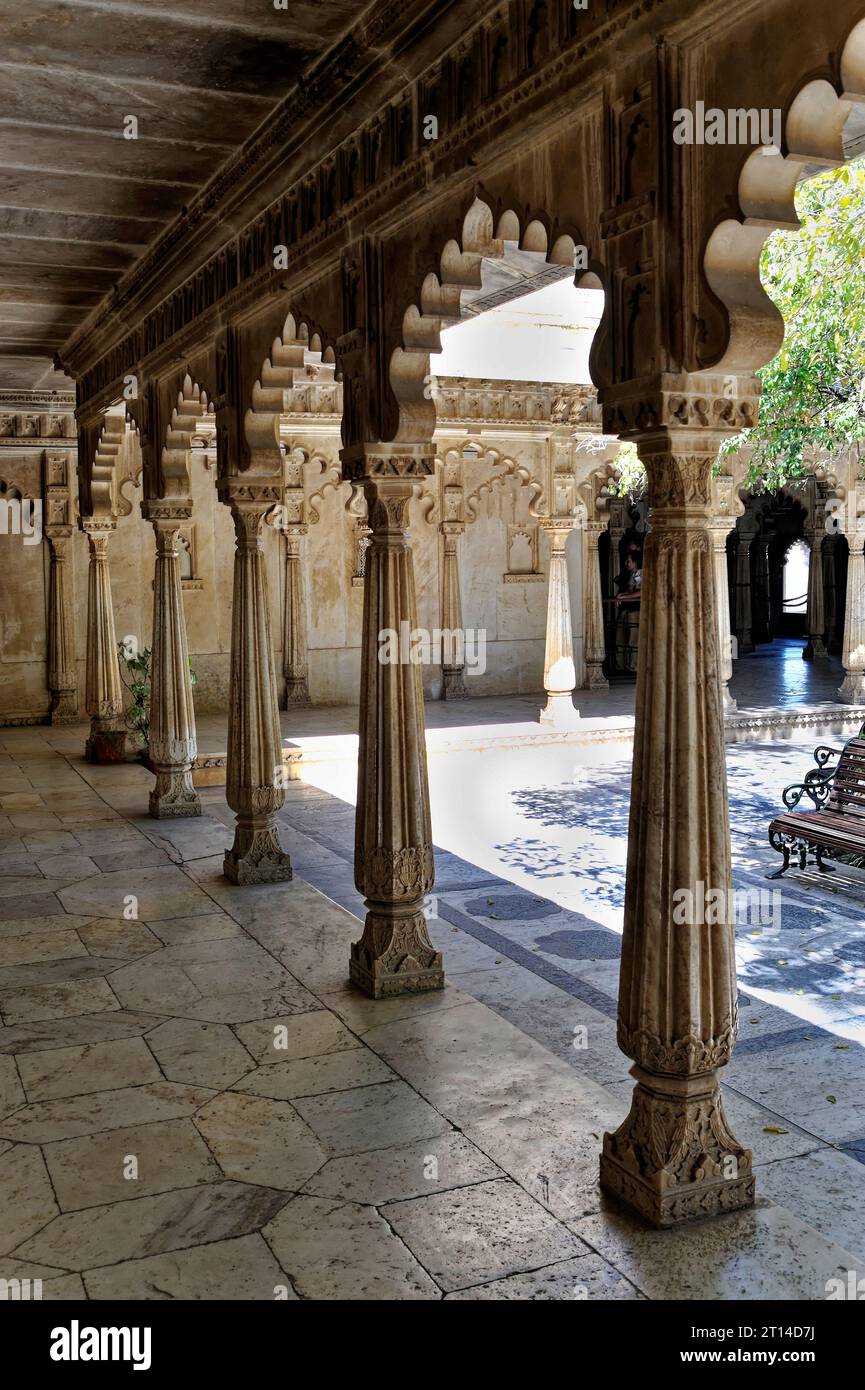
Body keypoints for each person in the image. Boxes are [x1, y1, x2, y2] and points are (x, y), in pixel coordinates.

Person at [615, 547, 642, 671]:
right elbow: (631, 591)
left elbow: (641, 593)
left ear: (635, 562)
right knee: (621, 640)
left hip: (635, 611)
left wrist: (623, 597)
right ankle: (621, 666)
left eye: (629, 561)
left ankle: (633, 667)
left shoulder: (641, 573)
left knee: (633, 640)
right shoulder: (630, 574)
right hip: (626, 610)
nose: (626, 563)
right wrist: (622, 596)